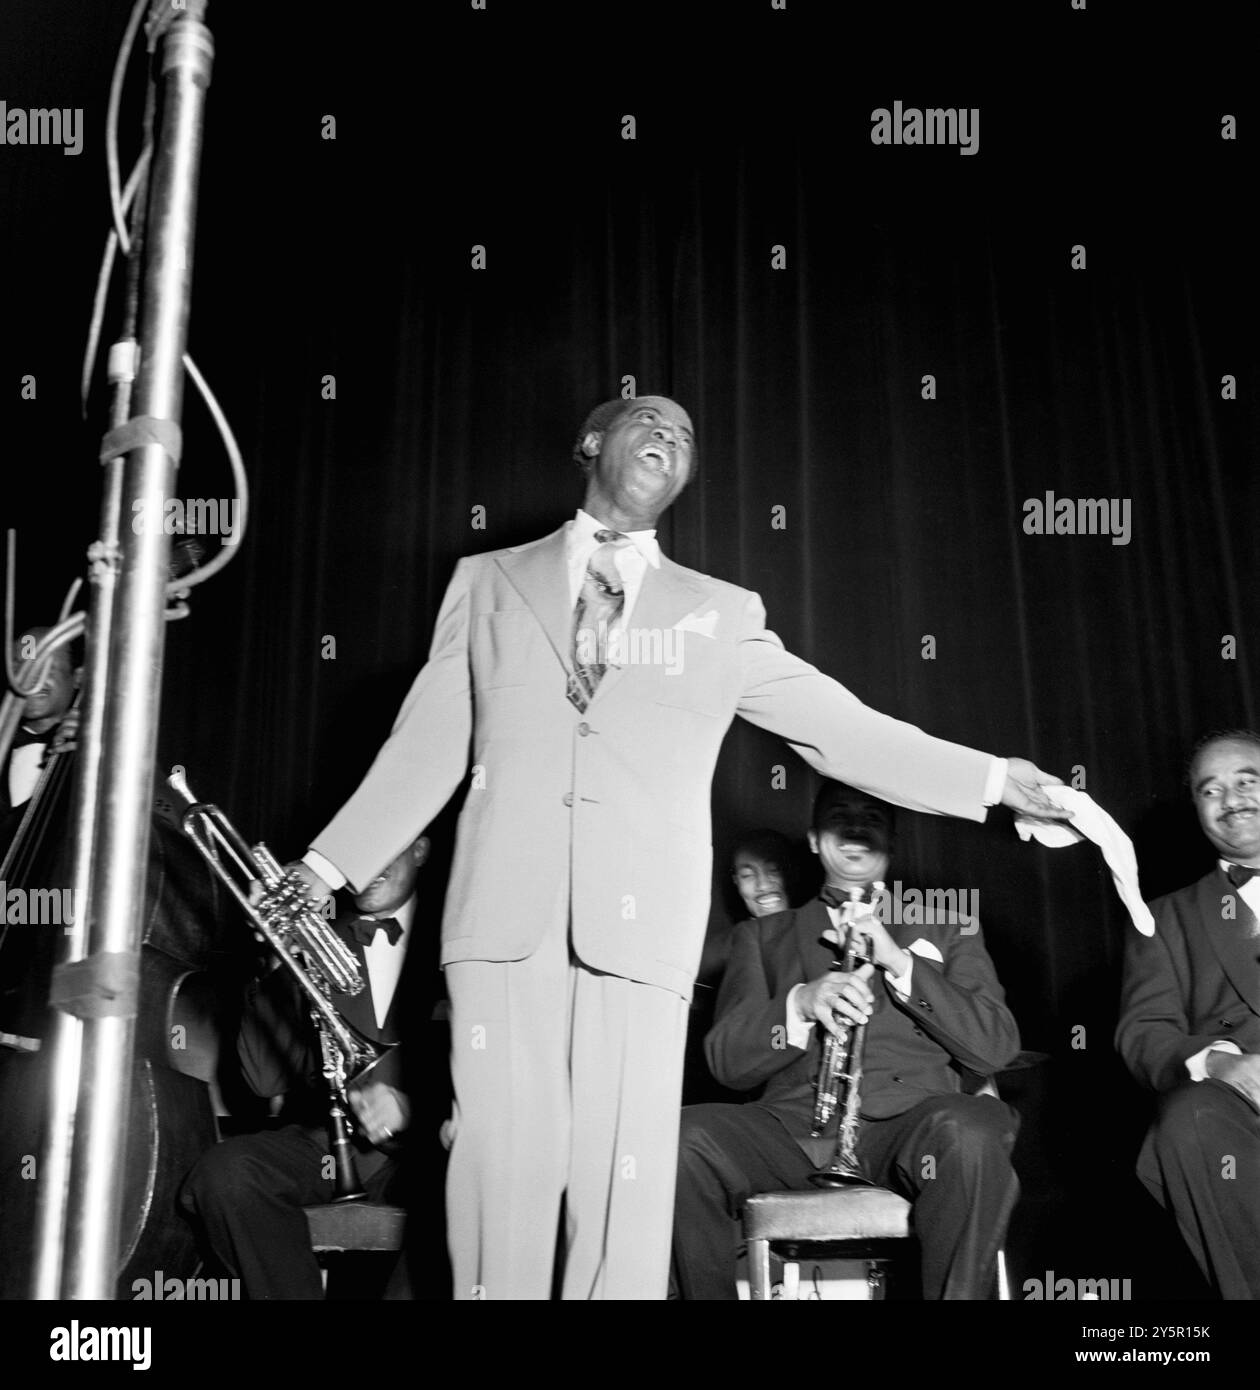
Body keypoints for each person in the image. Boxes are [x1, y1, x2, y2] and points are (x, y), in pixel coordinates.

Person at [288, 394, 1068, 1300]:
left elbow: (846, 731)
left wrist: (992, 778)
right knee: (498, 1168)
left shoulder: (720, 613)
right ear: (589, 442)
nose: (669, 437)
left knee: (626, 1182)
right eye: (645, 420)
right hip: (503, 924)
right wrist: (321, 868)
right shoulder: (488, 580)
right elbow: (423, 747)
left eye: (688, 436)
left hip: (639, 936)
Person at [672, 780, 1021, 1299]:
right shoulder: (762, 937)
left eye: (872, 818)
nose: (856, 828)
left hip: (912, 1128)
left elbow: (996, 1045)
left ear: (892, 843)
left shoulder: (949, 925)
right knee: (682, 1140)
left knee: (972, 1131)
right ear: (814, 839)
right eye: (840, 816)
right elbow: (725, 1061)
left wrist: (900, 963)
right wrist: (800, 1005)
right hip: (791, 1135)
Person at [180, 835, 430, 1299]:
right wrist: (277, 958)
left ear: (420, 850)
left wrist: (417, 1108)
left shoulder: (455, 938)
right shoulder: (321, 939)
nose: (370, 861)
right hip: (329, 1149)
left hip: (429, 1149)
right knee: (228, 1173)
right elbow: (263, 1080)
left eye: (387, 843)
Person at [1116, 729, 1260, 1299]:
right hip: (1241, 1116)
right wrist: (1222, 1065)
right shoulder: (1164, 918)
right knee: (1190, 1118)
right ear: (1196, 809)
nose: (1232, 800)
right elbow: (1144, 1033)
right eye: (1211, 790)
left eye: (1248, 781)